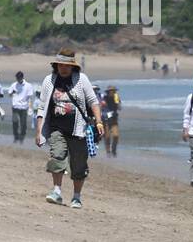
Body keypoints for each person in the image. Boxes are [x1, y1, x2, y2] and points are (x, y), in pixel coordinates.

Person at [34, 48, 103, 209]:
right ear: (56, 66)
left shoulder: (81, 79)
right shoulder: (49, 80)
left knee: (78, 164)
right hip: (56, 128)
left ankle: (76, 197)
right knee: (57, 155)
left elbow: (93, 101)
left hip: (79, 130)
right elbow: (42, 107)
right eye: (60, 65)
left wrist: (99, 122)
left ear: (73, 66)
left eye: (66, 65)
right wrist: (39, 131)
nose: (63, 68)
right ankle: (57, 191)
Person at [7, 71, 35, 144]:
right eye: (17, 78)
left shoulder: (28, 86)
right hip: (15, 106)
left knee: (23, 124)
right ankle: (16, 137)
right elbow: (9, 94)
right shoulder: (13, 85)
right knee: (15, 122)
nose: (18, 79)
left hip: (24, 107)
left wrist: (30, 108)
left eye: (19, 78)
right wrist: (12, 93)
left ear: (22, 77)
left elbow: (30, 97)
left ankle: (22, 137)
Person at [100, 85, 121, 156]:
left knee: (116, 135)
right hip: (106, 120)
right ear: (108, 92)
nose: (112, 92)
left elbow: (119, 108)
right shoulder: (104, 98)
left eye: (114, 91)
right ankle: (108, 151)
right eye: (111, 91)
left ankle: (114, 149)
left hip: (114, 120)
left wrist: (117, 102)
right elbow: (101, 107)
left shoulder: (116, 98)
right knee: (107, 136)